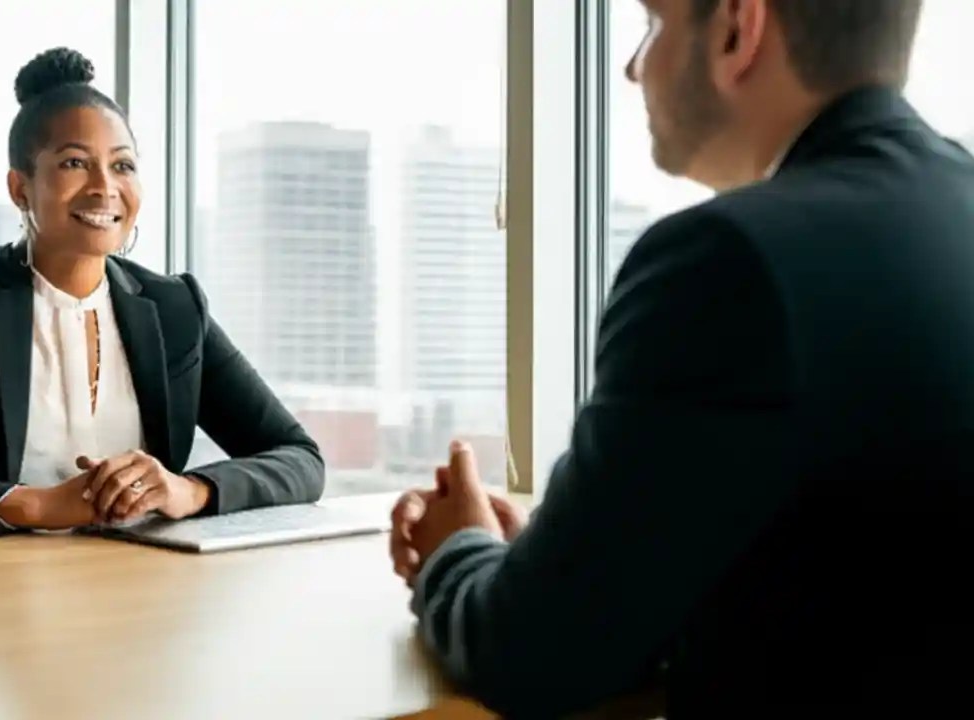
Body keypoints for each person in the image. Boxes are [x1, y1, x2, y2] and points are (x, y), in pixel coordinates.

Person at [391, 0, 972, 716]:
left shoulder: (729, 262)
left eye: (652, 25)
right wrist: (569, 554)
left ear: (737, 27)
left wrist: (458, 549)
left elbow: (532, 653)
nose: (632, 69)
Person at [0, 47, 324, 544]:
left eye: (123, 166)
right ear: (20, 189)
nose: (105, 186)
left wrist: (187, 490)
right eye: (74, 163)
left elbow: (300, 458)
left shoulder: (174, 309)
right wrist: (34, 504)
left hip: (145, 598)